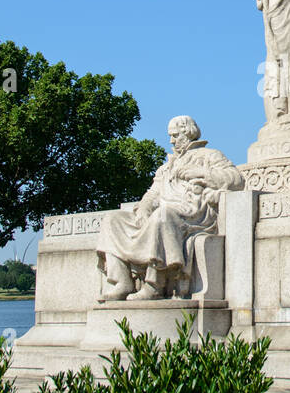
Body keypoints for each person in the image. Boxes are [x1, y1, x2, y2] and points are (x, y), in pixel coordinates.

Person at [95, 116, 244, 300]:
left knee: (162, 216)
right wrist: (143, 208)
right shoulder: (166, 167)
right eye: (170, 136)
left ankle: (154, 285)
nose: (171, 141)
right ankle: (122, 281)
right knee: (113, 220)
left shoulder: (209, 155)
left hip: (192, 215)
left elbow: (236, 179)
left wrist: (202, 173)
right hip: (165, 213)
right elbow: (152, 193)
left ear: (188, 133)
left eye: (175, 135)